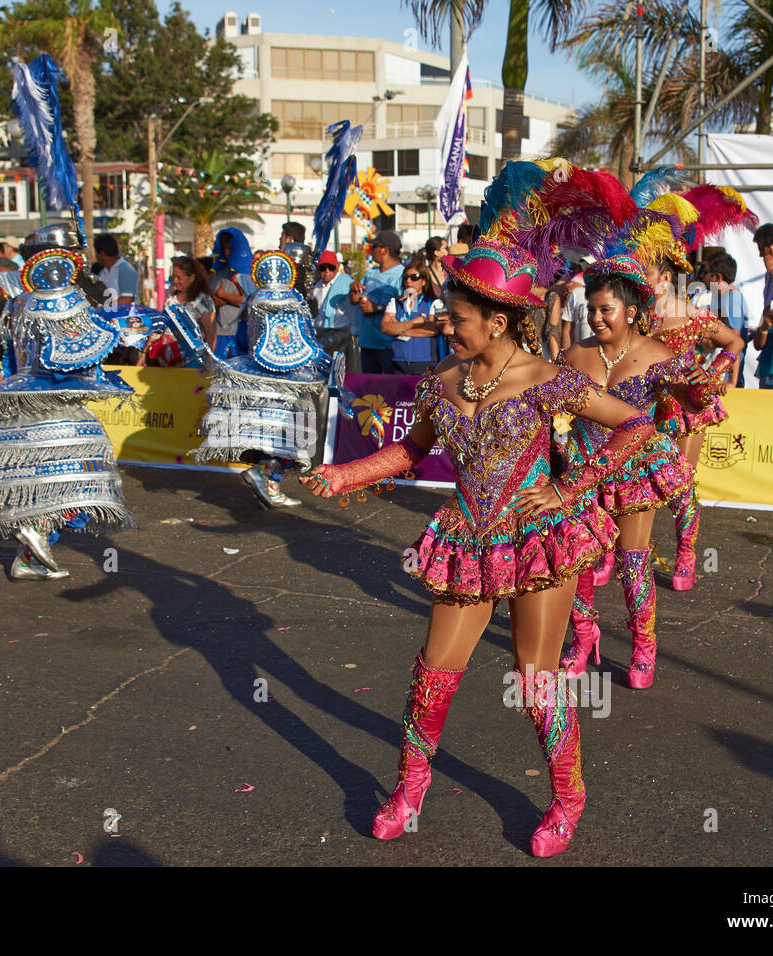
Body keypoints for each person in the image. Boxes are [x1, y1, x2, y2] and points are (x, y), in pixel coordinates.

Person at [301, 242, 659, 857]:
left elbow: (637, 424)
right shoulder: (442, 383)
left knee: (534, 679)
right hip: (467, 538)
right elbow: (411, 451)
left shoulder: (548, 379)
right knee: (433, 673)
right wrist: (344, 475)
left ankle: (567, 797)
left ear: (496, 321)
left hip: (538, 539)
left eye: (456, 317)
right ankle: (410, 789)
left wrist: (569, 486)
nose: (446, 325)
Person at [558, 257, 715, 689]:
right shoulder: (574, 355)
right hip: (583, 468)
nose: (595, 317)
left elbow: (695, 403)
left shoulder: (657, 355)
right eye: (591, 309)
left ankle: (643, 647)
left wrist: (700, 385)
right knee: (578, 560)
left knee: (632, 560)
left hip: (633, 470)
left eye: (605, 309)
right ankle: (583, 636)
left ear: (630, 312)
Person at [0, 240, 134, 580]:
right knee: (82, 478)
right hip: (57, 404)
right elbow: (76, 354)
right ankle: (38, 528)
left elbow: (7, 357)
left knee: (38, 480)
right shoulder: (64, 301)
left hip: (20, 399)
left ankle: (26, 559)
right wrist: (119, 334)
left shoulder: (17, 303)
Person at [193, 250, 330, 509]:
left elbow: (243, 339)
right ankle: (267, 476)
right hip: (288, 381)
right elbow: (304, 343)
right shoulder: (293, 300)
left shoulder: (254, 298)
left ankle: (269, 482)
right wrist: (323, 361)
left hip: (254, 376)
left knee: (266, 436)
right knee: (292, 438)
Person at [648, 254, 742, 591]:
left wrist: (710, 374)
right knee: (632, 482)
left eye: (647, 271)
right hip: (644, 408)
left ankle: (686, 556)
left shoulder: (690, 313)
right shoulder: (636, 315)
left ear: (666, 277)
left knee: (680, 485)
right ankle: (621, 553)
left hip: (684, 409)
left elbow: (734, 342)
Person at [143, 255, 216, 366]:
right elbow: (162, 327)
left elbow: (211, 334)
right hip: (166, 362)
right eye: (173, 277)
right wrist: (144, 355)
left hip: (191, 364)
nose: (175, 281)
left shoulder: (203, 301)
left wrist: (209, 361)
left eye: (179, 277)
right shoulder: (170, 298)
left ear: (191, 278)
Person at [348, 230, 404, 373]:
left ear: (384, 250)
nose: (370, 251)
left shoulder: (402, 274)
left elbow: (407, 310)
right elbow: (355, 300)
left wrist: (377, 308)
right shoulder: (370, 273)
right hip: (367, 342)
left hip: (388, 345)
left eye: (373, 247)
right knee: (370, 392)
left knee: (389, 391)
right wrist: (354, 289)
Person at [381, 254, 445, 374]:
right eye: (405, 277)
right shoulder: (395, 302)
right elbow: (385, 328)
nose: (408, 280)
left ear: (424, 281)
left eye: (414, 277)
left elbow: (432, 329)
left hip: (424, 361)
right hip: (398, 360)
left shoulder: (433, 302)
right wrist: (414, 323)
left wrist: (398, 328)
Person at [701, 251, 752, 386]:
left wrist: (732, 380)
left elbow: (736, 340)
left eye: (705, 272)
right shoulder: (720, 298)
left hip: (726, 377)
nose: (702, 276)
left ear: (717, 277)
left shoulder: (732, 299)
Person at [208, 227, 256, 355]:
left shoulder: (249, 273)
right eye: (225, 249)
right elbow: (212, 299)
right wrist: (227, 298)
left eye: (230, 249)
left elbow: (249, 301)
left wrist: (223, 295)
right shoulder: (221, 272)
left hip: (241, 332)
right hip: (221, 331)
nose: (227, 252)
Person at [94, 233, 139, 306]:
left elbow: (127, 299)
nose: (96, 257)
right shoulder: (103, 272)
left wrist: (102, 308)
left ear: (102, 253)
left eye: (96, 253)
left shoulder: (125, 270)